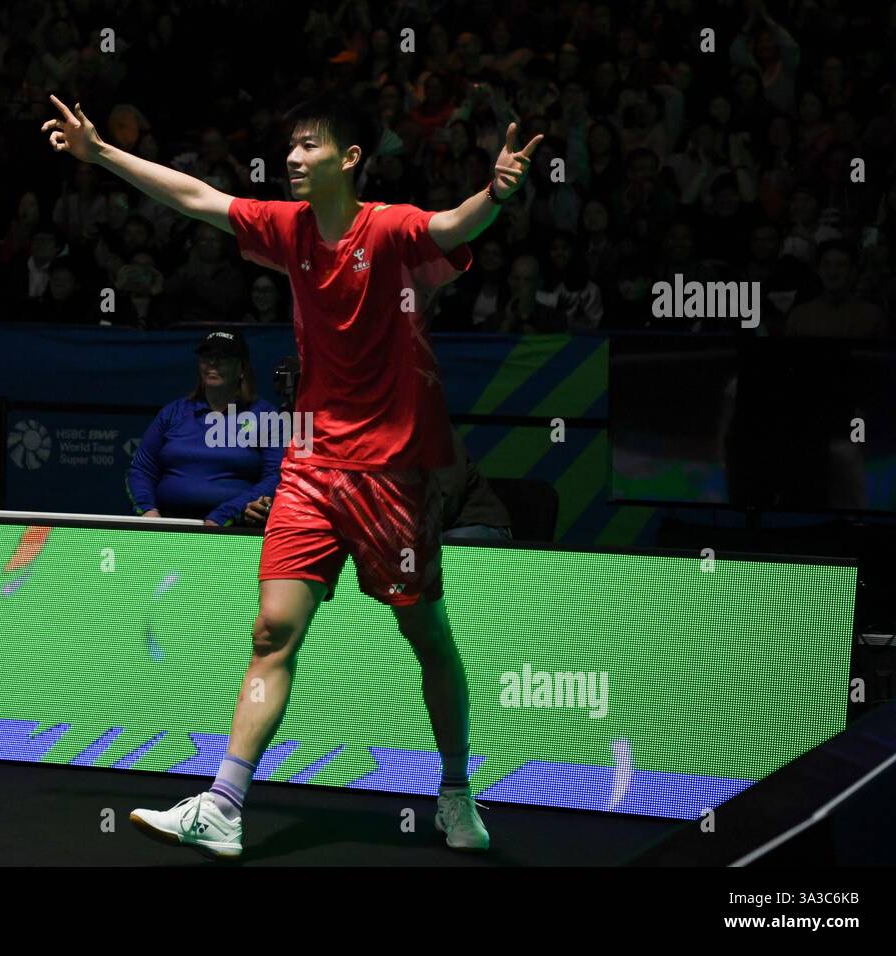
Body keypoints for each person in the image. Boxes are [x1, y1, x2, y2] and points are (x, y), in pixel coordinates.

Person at [44, 91, 539, 858]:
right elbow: (196, 198)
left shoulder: (392, 228)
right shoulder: (288, 228)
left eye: (310, 146)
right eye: (290, 147)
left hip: (391, 475)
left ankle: (454, 792)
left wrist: (494, 192)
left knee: (426, 633)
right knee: (273, 629)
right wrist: (100, 153)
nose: (293, 159)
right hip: (311, 464)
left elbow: (452, 227)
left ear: (348, 159)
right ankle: (224, 803)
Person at [126, 330, 282, 526]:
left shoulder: (267, 416)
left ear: (241, 368)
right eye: (207, 357)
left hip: (234, 528)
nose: (213, 363)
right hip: (168, 523)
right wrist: (148, 510)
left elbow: (276, 477)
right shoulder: (173, 412)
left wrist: (225, 515)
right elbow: (141, 469)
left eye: (223, 357)